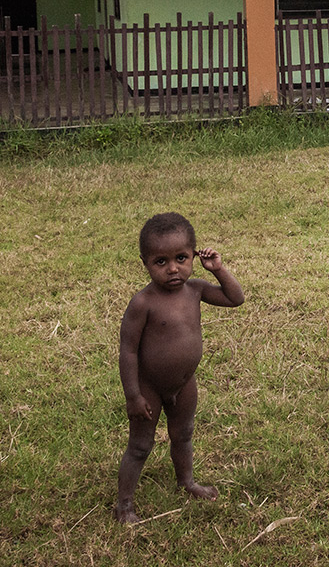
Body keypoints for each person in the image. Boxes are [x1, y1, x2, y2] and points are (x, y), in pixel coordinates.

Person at [113, 212, 245, 524]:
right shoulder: (143, 303)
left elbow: (235, 298)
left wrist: (218, 269)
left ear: (194, 256)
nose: (173, 268)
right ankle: (124, 505)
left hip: (184, 383)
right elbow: (128, 351)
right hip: (150, 386)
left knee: (183, 434)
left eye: (182, 258)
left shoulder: (196, 289)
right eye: (161, 262)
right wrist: (133, 396)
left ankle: (186, 481)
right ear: (145, 262)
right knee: (140, 446)